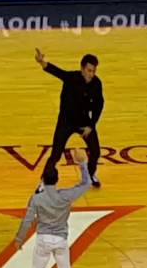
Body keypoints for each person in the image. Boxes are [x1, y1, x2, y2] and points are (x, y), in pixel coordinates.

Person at [16, 149, 91, 268]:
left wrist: (19, 239)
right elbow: (85, 184)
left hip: (43, 239)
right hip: (60, 240)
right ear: (57, 180)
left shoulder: (36, 199)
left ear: (43, 179)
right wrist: (82, 165)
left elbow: (27, 220)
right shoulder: (64, 196)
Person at [33, 48, 103, 189]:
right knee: (56, 155)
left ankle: (90, 175)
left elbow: (99, 105)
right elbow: (57, 72)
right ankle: (43, 183)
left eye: (93, 71)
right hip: (66, 121)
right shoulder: (72, 78)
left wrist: (91, 125)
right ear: (82, 69)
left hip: (84, 122)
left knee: (96, 151)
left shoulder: (96, 84)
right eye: (89, 71)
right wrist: (42, 62)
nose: (91, 74)